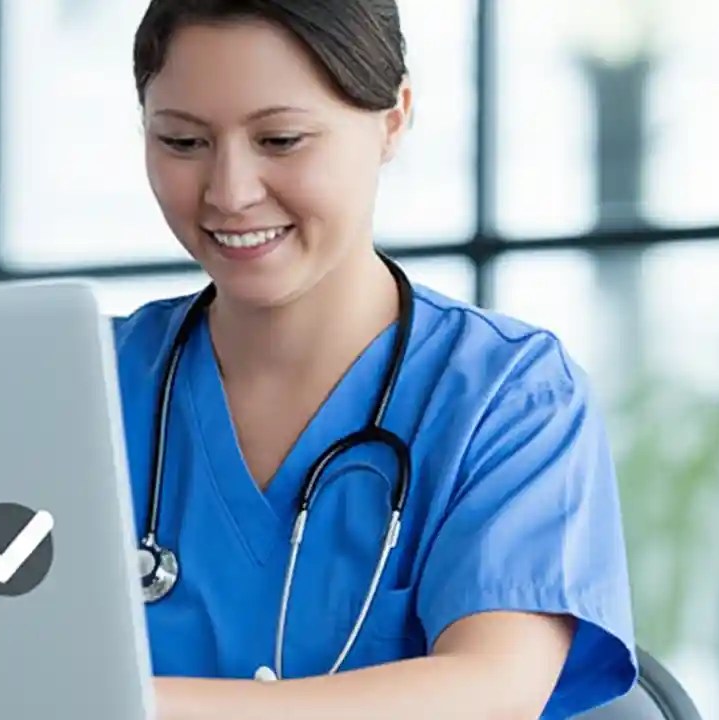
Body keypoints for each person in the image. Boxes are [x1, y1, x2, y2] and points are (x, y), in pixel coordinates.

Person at [108, 1, 640, 718]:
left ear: (393, 120)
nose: (230, 192)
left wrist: (111, 706)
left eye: (281, 139)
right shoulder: (79, 386)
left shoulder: (508, 397)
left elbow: (491, 691)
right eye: (182, 142)